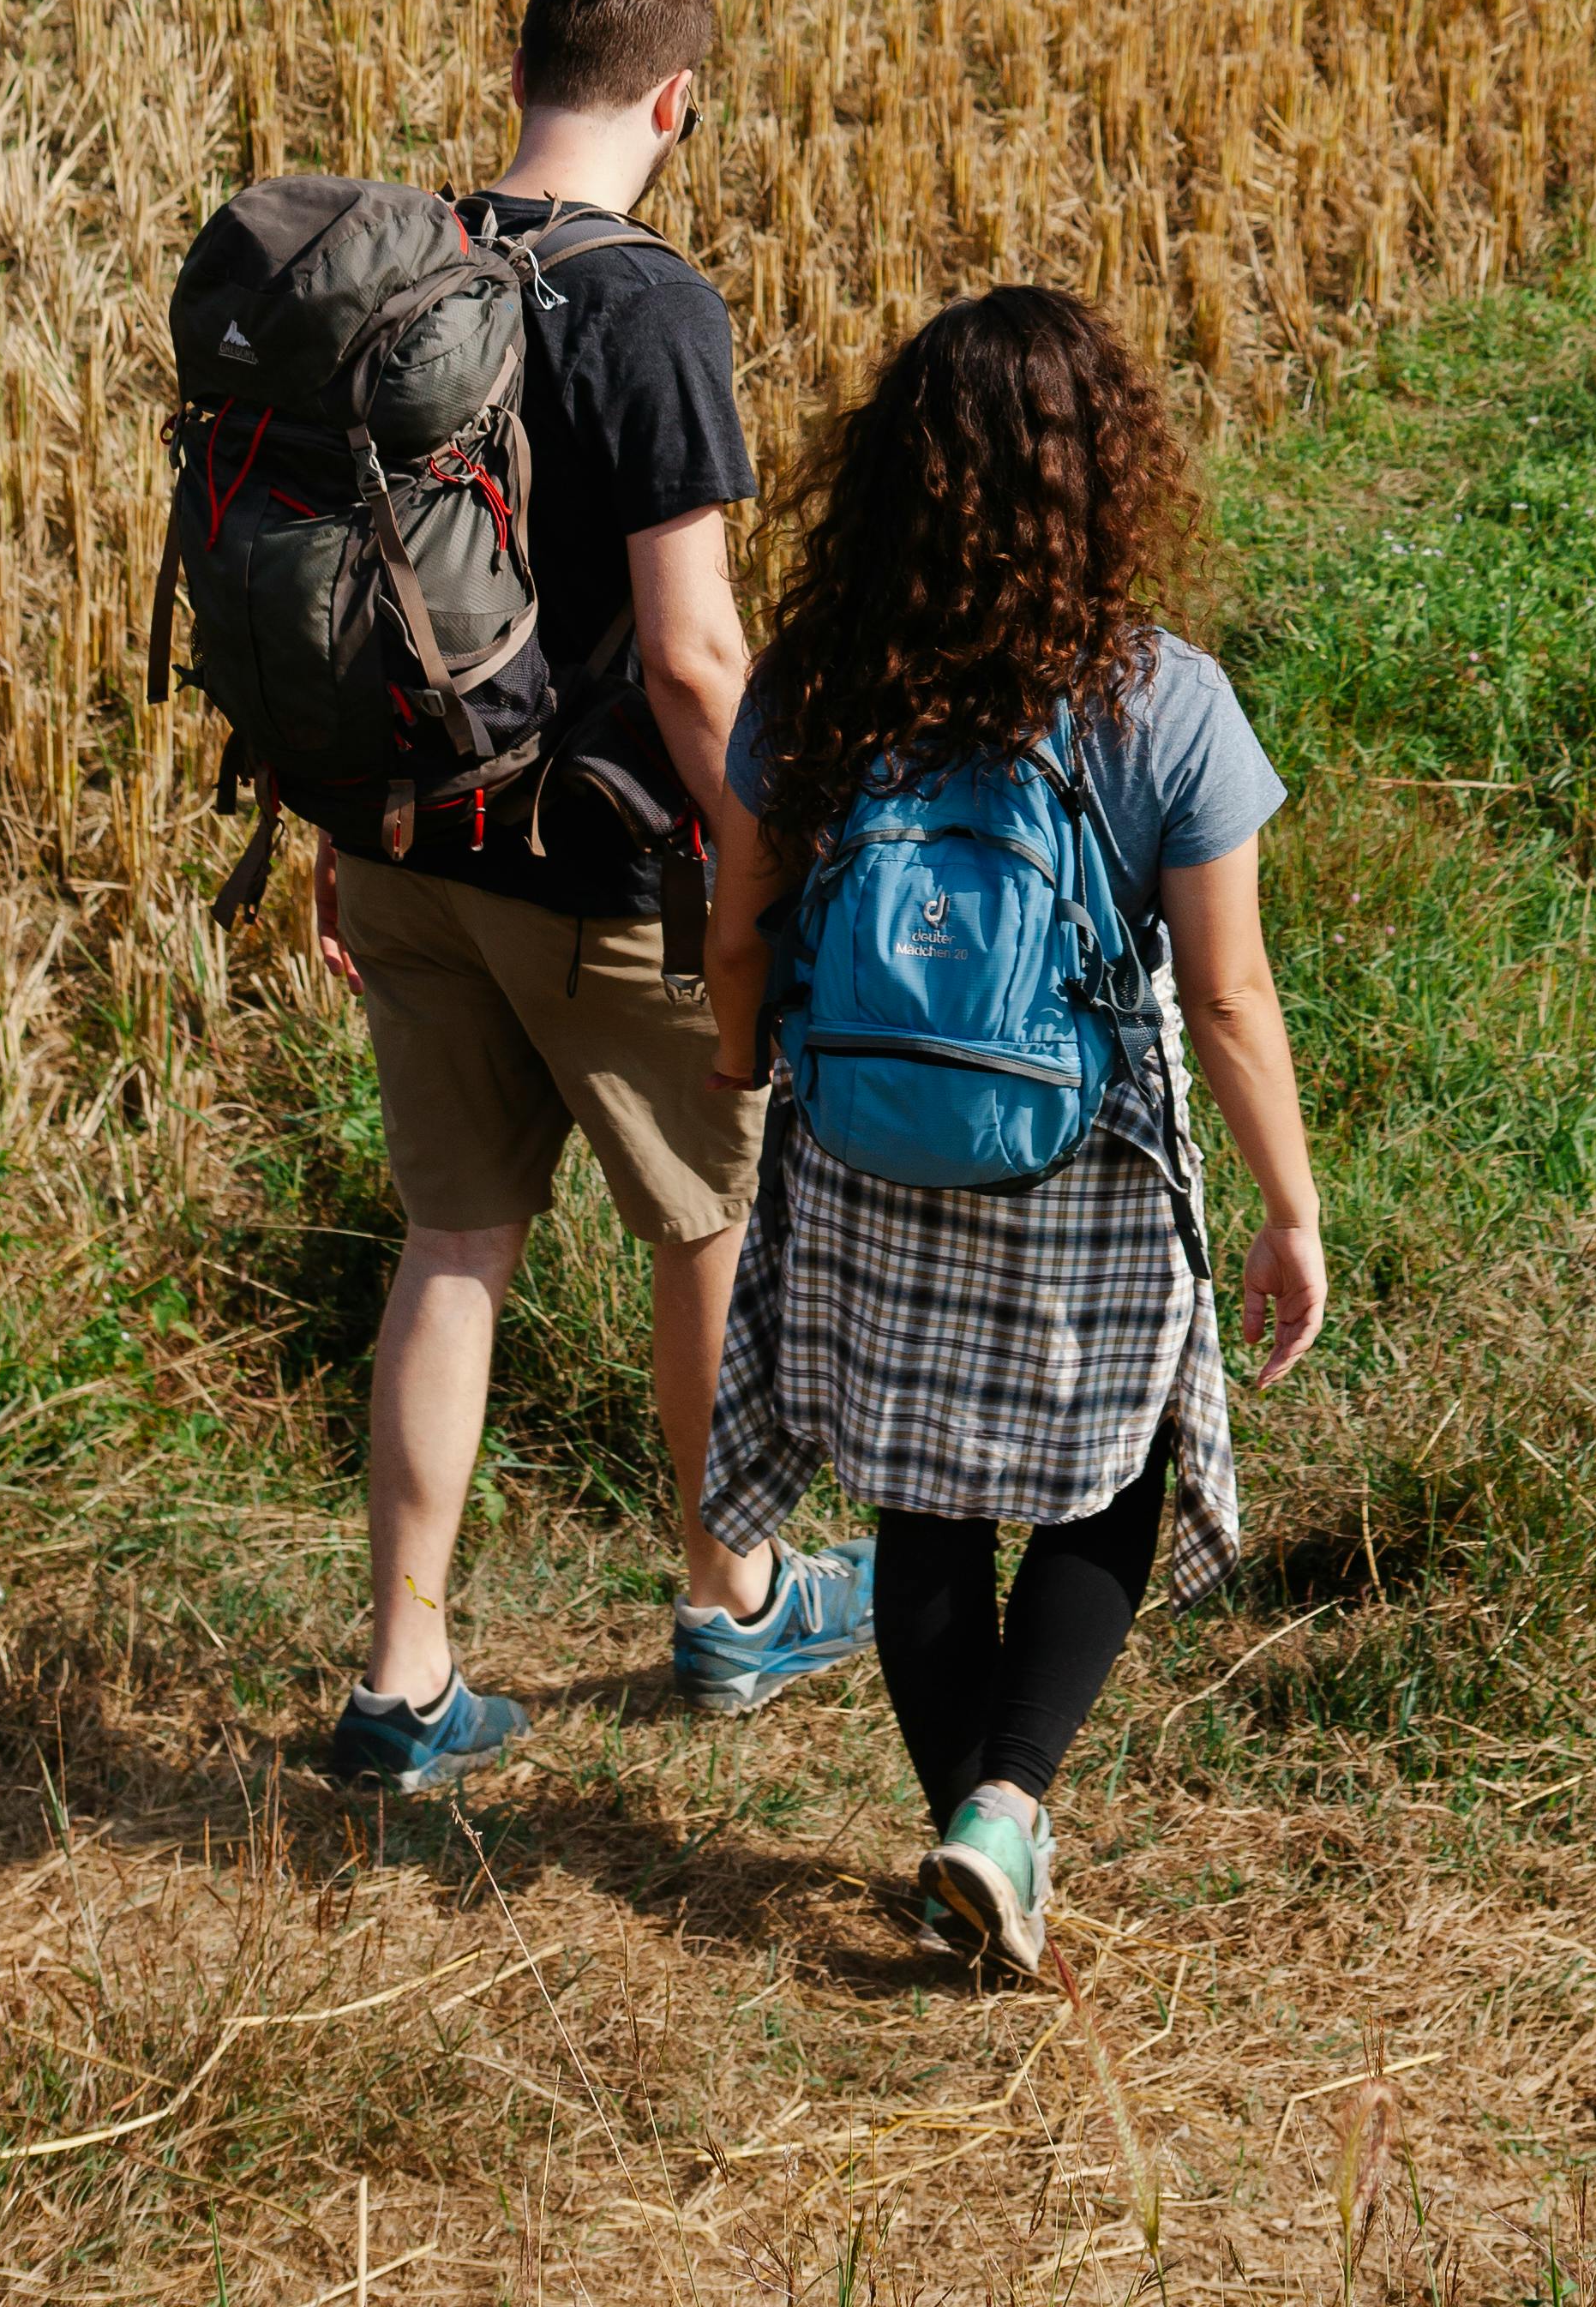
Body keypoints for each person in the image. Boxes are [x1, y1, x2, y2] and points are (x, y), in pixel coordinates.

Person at [701, 285, 1327, 1976]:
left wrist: (746, 1065)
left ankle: (974, 1834)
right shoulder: (1162, 700)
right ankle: (1002, 1807)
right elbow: (1231, 996)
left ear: (896, 471)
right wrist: (1291, 1209)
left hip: (860, 1146)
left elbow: (742, 926)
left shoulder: (818, 680)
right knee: (1098, 1476)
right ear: (1106, 476)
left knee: (921, 1498)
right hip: (1082, 1158)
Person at [313, 0, 875, 1791]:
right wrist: (769, 867)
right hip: (600, 871)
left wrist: (339, 828)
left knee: (454, 1241)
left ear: (522, 70)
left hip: (407, 844)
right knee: (704, 1224)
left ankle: (404, 1679)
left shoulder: (411, 272)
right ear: (677, 99)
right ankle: (732, 1598)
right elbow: (699, 657)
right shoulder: (652, 307)